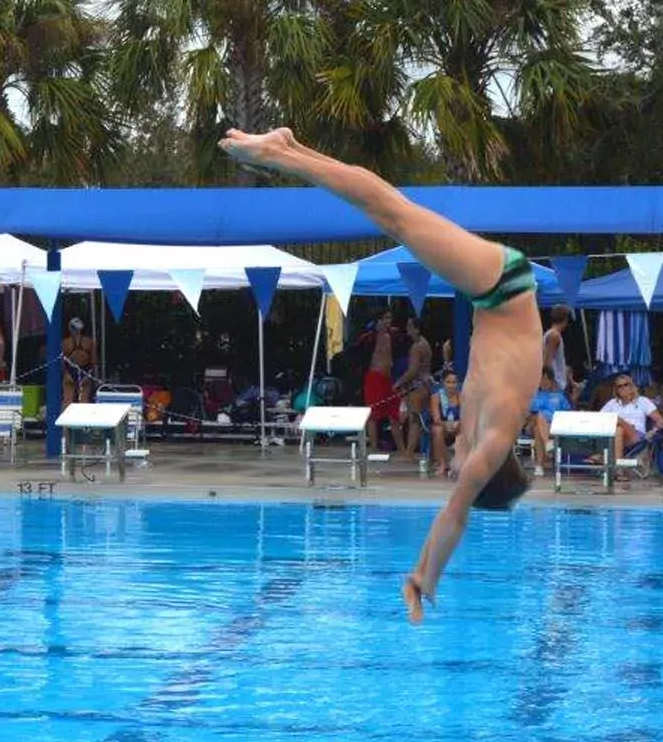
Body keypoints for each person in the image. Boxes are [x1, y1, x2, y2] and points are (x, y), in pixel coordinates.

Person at [220, 126, 540, 624]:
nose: (453, 471)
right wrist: (423, 578)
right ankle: (283, 156)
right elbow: (455, 513)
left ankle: (292, 148)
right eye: (463, 474)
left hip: (498, 290)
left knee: (394, 211)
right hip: (501, 286)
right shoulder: (493, 439)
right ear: (483, 474)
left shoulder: (485, 433)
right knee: (390, 213)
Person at [600, 373, 663, 475]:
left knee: (616, 419)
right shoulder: (612, 403)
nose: (623, 388)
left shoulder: (642, 401)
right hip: (615, 435)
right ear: (616, 389)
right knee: (618, 430)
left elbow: (660, 421)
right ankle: (618, 469)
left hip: (636, 436)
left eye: (626, 384)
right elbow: (599, 419)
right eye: (619, 386)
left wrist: (652, 432)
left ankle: (606, 461)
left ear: (632, 386)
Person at [359, 309, 401, 452]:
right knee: (373, 413)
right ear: (379, 321)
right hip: (375, 376)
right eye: (386, 318)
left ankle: (402, 448)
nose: (389, 321)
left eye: (390, 318)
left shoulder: (392, 336)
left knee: (393, 413)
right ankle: (374, 447)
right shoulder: (371, 337)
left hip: (388, 378)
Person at [396, 321, 434, 462]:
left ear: (416, 329)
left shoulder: (416, 347)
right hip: (427, 384)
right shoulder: (425, 343)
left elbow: (413, 370)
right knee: (422, 421)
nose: (407, 329)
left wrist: (399, 383)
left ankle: (409, 453)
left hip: (418, 386)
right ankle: (423, 452)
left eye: (410, 327)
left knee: (415, 420)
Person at [528, 367, 574, 475]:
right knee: (539, 417)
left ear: (551, 380)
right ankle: (547, 443)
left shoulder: (559, 396)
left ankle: (539, 465)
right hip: (534, 422)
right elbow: (529, 414)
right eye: (541, 379)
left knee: (538, 431)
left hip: (554, 425)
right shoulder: (534, 396)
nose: (543, 382)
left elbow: (567, 412)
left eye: (546, 379)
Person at [428, 371, 464, 477]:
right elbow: (436, 418)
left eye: (454, 382)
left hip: (458, 426)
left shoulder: (461, 396)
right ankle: (443, 464)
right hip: (442, 425)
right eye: (448, 382)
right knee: (437, 430)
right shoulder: (436, 397)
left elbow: (465, 415)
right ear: (443, 383)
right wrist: (446, 425)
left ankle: (460, 463)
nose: (451, 385)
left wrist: (458, 423)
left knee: (466, 428)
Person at [63, 317, 98, 403]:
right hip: (84, 371)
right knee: (83, 400)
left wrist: (66, 373)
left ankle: (65, 416)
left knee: (67, 400)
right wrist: (89, 374)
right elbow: (94, 362)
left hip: (71, 372)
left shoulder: (66, 342)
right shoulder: (89, 342)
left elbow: (62, 362)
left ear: (70, 329)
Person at [542, 304, 571, 391]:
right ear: (565, 319)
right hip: (555, 386)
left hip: (556, 384)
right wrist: (552, 385)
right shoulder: (554, 335)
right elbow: (547, 362)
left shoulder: (549, 334)